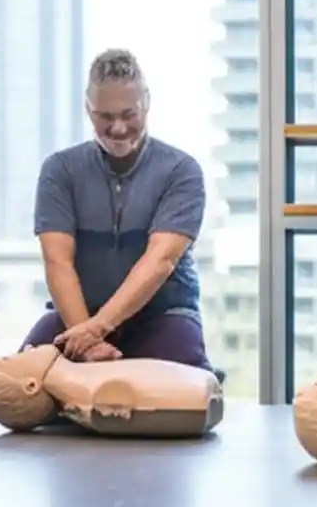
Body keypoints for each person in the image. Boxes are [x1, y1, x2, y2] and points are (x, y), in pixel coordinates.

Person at [24, 48, 212, 371]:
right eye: (105, 117)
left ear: (146, 103)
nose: (119, 128)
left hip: (162, 316)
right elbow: (58, 262)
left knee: (178, 387)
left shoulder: (182, 171)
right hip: (77, 315)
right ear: (88, 109)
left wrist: (96, 329)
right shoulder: (60, 170)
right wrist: (85, 339)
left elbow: (160, 261)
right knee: (18, 380)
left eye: (129, 114)